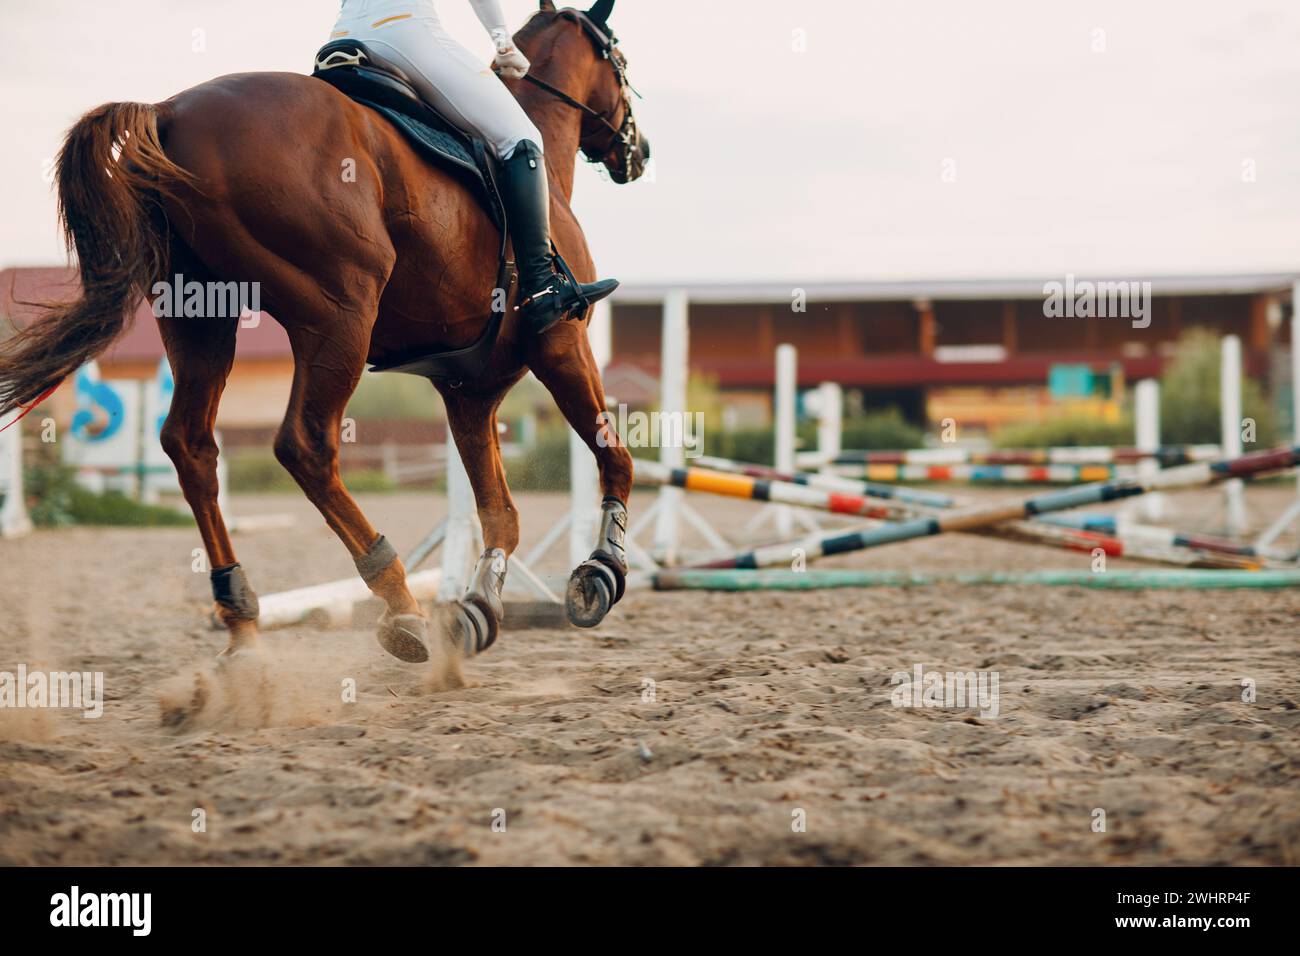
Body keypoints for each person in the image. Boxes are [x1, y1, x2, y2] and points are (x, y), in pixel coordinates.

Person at [328, 0, 619, 333]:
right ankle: (541, 286)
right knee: (521, 137)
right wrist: (502, 42)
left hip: (342, 35)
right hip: (405, 30)